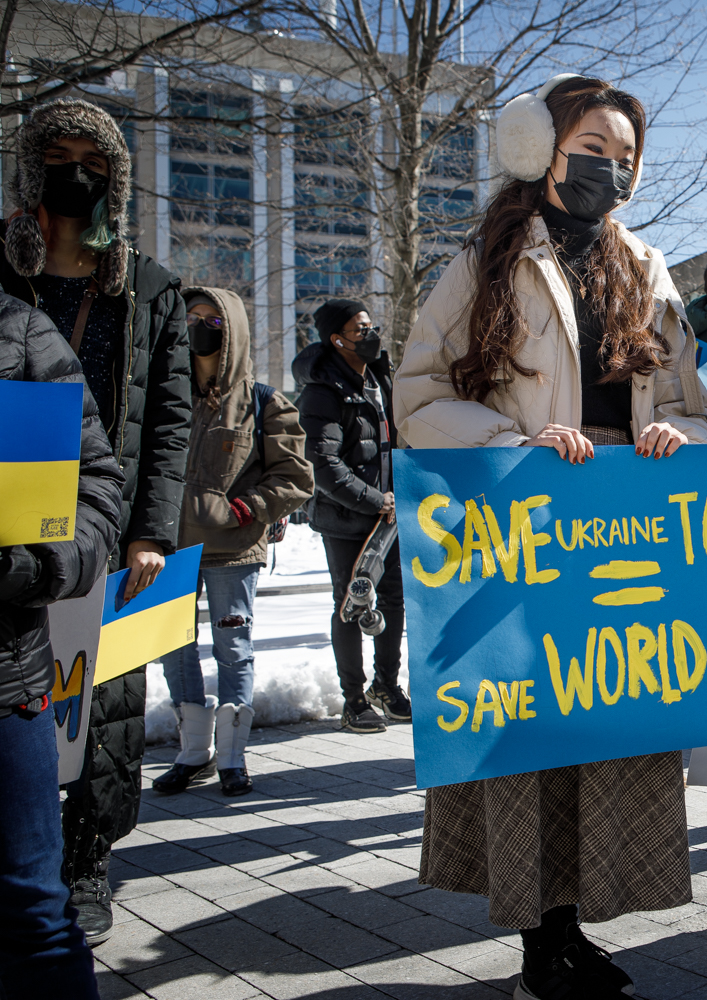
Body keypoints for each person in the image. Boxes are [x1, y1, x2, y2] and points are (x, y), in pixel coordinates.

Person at [394, 74, 707, 1000]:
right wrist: (510, 443)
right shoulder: (485, 260)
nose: (608, 171)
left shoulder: (650, 268)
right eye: (591, 150)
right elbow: (417, 397)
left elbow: (695, 408)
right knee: (536, 730)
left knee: (608, 724)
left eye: (624, 158)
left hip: (625, 524)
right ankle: (541, 943)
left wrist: (674, 437)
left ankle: (577, 926)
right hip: (522, 518)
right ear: (538, 150)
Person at [0, 99, 191, 945]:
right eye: (59, 155)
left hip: (109, 531)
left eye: (94, 159)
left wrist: (150, 529)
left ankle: (85, 863)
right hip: (13, 523)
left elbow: (170, 422)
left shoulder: (152, 289)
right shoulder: (4, 278)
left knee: (105, 698)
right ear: (28, 169)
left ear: (115, 179)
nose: (76, 171)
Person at [0, 293, 123, 999]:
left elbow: (95, 490)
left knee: (30, 910)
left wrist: (34, 566)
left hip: (5, 678)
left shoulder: (17, 332)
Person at [153, 288, 313, 797]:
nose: (198, 327)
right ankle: (192, 752)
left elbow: (296, 478)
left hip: (233, 549)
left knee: (233, 647)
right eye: (191, 318)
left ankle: (232, 756)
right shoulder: (164, 395)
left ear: (234, 330)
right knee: (172, 648)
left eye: (211, 321)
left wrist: (245, 510)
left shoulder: (264, 402)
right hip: (168, 548)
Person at [292, 298, 409, 735]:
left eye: (371, 325)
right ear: (336, 339)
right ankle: (353, 699)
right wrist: (373, 499)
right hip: (347, 518)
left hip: (391, 517)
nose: (370, 334)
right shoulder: (322, 391)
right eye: (361, 329)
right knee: (351, 605)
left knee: (394, 603)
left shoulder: (382, 377)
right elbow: (325, 465)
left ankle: (387, 687)